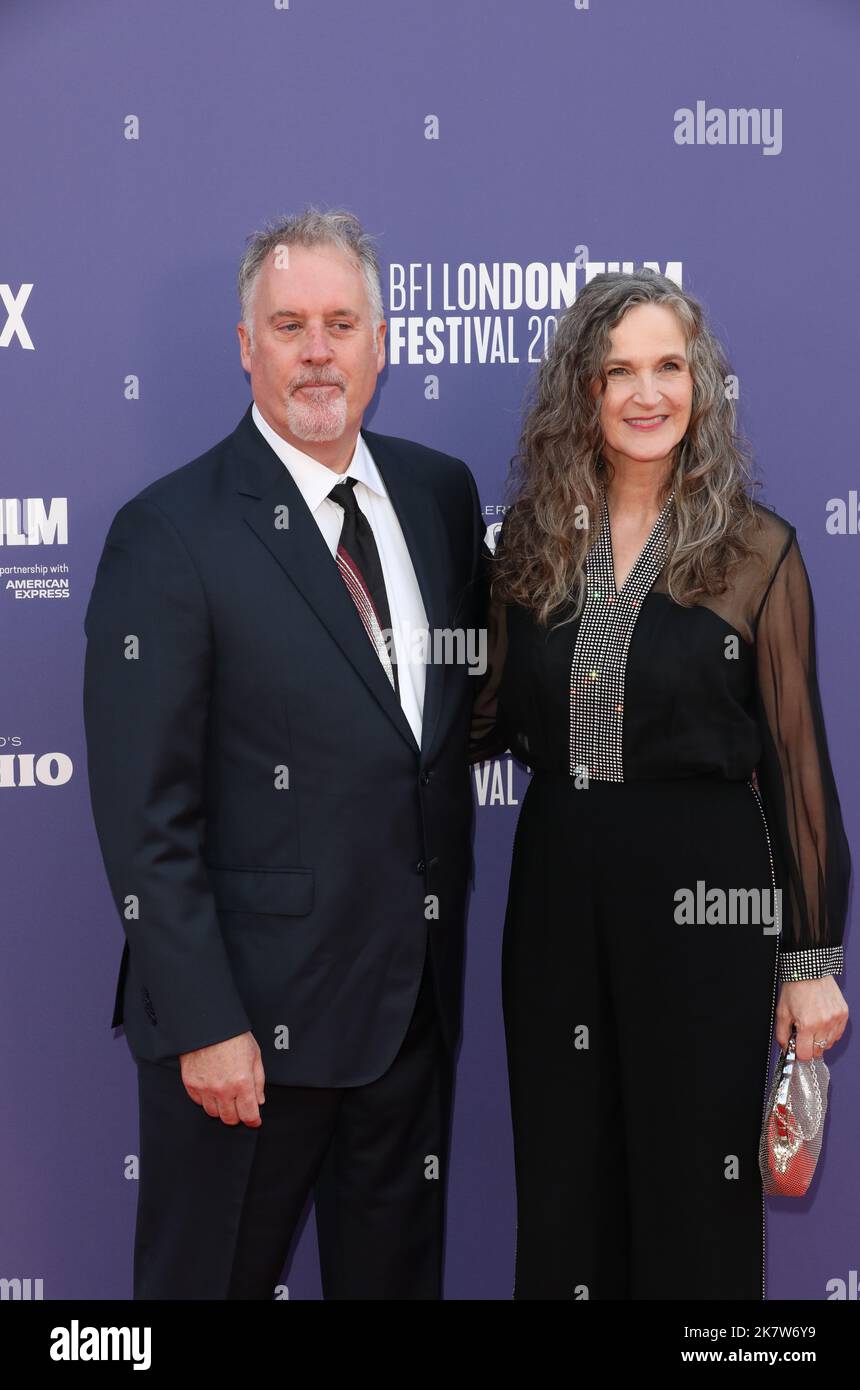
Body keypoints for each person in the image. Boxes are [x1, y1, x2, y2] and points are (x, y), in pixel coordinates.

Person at [83, 208, 487, 1299]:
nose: (319, 350)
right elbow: (142, 813)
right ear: (245, 344)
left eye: (342, 322)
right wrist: (207, 1020)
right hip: (246, 1039)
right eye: (290, 323)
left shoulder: (437, 493)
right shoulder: (169, 532)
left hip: (407, 1019)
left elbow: (444, 725)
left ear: (382, 341)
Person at [469, 268, 851, 1301]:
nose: (647, 393)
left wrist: (808, 957)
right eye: (618, 369)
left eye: (668, 366)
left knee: (696, 1186)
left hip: (703, 897)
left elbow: (795, 764)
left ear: (701, 383)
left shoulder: (754, 551)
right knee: (561, 1181)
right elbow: (479, 720)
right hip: (556, 892)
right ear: (579, 392)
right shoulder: (527, 548)